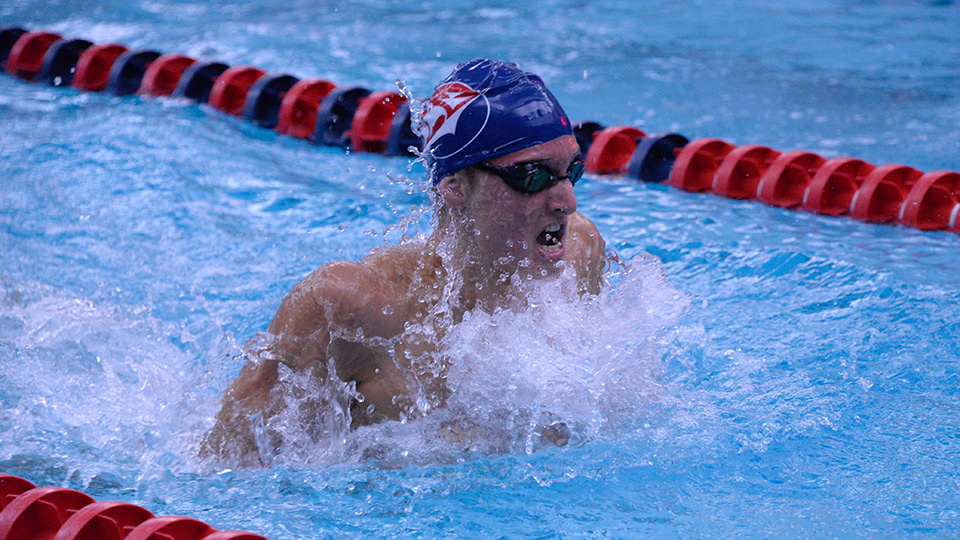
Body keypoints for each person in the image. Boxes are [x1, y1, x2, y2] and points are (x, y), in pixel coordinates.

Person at [201, 59, 607, 467]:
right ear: (455, 186)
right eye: (533, 176)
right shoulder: (351, 307)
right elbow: (228, 466)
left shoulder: (581, 254)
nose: (566, 201)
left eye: (571, 170)